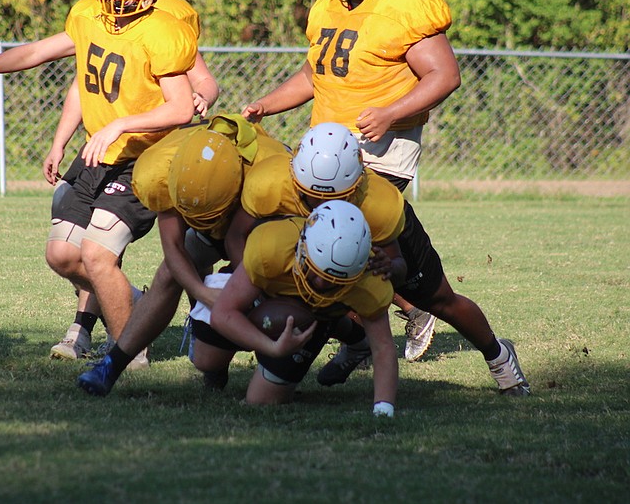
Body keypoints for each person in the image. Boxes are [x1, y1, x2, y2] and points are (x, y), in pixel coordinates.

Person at [0, 0, 198, 361]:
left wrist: (120, 124)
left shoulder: (163, 29)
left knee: (98, 254)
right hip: (98, 153)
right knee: (62, 255)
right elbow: (36, 52)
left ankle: (127, 358)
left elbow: (182, 107)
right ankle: (133, 300)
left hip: (145, 158)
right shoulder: (88, 15)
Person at [241, 0, 452, 363]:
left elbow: (445, 75)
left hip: (381, 148)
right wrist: (267, 104)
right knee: (337, 240)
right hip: (329, 151)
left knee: (341, 237)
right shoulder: (327, 4)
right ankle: (394, 317)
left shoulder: (403, 5)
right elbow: (314, 75)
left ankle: (327, 346)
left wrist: (390, 113)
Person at [41, 0, 220, 362]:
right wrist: (59, 142)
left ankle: (181, 330)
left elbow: (202, 83)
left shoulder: (167, 25)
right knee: (69, 253)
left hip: (152, 155)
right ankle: (120, 312)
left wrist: (201, 97)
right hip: (100, 149)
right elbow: (74, 80)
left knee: (174, 248)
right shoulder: (99, 18)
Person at [76, 114, 290, 396]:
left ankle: (292, 363)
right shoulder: (159, 167)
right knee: (168, 274)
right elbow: (173, 247)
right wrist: (201, 292)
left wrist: (247, 288)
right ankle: (112, 365)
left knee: (275, 287)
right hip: (220, 220)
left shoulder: (271, 170)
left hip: (259, 227)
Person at [224, 122, 407, 385]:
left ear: (357, 183)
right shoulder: (269, 183)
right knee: (211, 354)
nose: (322, 206)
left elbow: (399, 267)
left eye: (336, 198)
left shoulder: (378, 205)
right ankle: (355, 339)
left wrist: (389, 267)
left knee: (439, 299)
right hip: (282, 266)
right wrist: (257, 285)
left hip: (334, 288)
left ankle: (351, 336)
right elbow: (235, 237)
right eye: (310, 196)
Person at [210, 200, 398, 415]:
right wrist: (272, 347)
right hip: (267, 294)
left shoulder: (370, 282)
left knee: (261, 400)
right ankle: (350, 335)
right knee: (205, 358)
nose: (321, 284)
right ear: (302, 248)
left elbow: (383, 348)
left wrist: (384, 408)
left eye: (336, 281)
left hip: (315, 315)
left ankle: (330, 326)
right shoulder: (270, 247)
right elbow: (223, 313)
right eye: (317, 271)